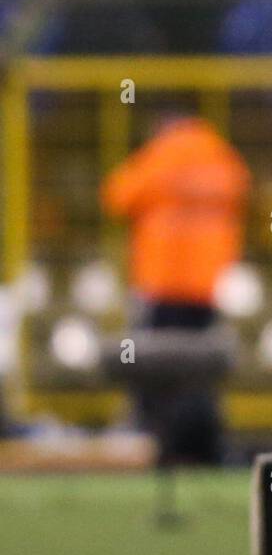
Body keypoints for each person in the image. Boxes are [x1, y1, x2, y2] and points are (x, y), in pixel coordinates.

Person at [101, 112, 251, 463]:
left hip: (162, 281)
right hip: (207, 284)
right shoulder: (219, 154)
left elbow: (116, 196)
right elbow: (244, 192)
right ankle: (201, 440)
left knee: (152, 364)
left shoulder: (160, 154)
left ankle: (153, 436)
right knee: (199, 369)